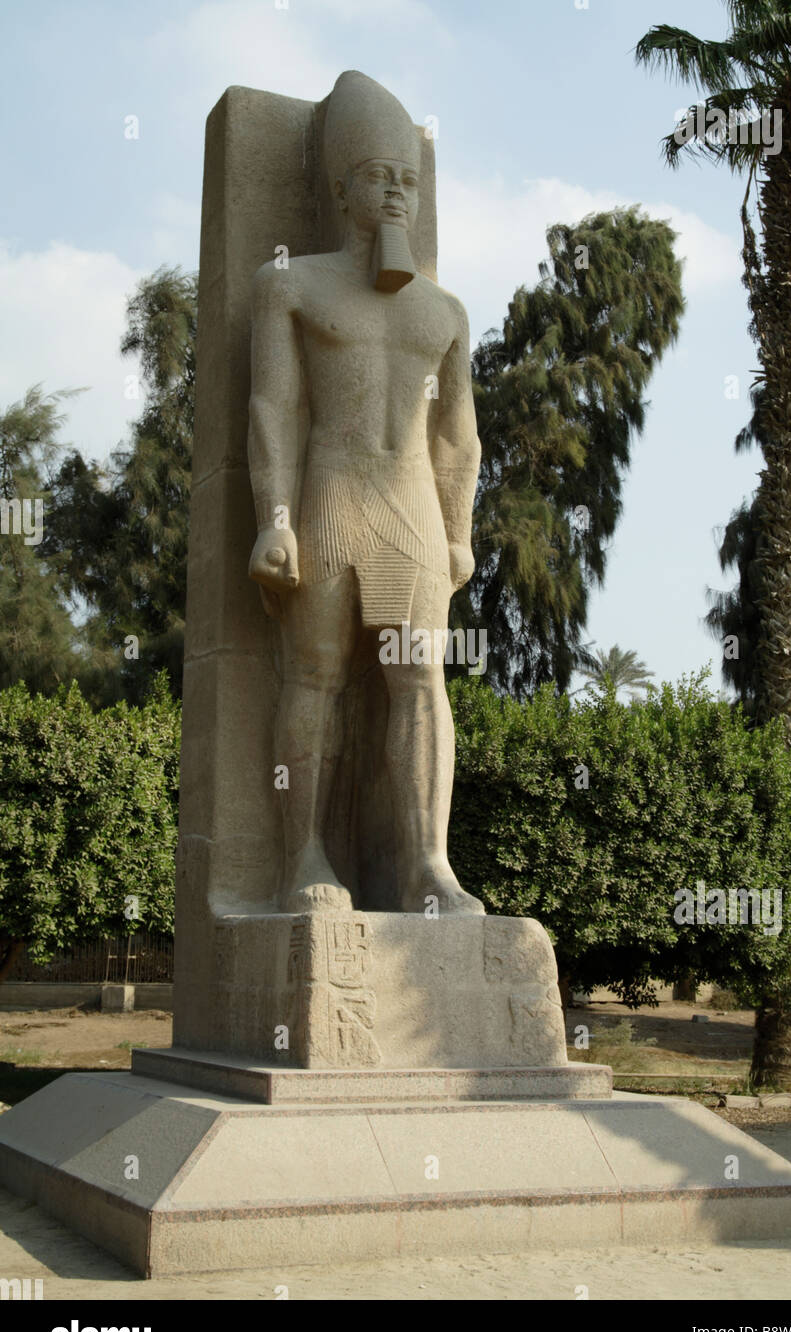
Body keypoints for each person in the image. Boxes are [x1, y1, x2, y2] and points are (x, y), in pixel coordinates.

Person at [247, 71, 484, 917]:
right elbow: (274, 407)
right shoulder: (293, 285)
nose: (395, 191)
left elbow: (456, 435)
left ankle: (427, 864)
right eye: (380, 175)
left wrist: (458, 532)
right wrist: (274, 519)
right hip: (330, 497)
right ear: (342, 185)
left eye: (409, 179)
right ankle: (303, 858)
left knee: (421, 682)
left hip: (413, 509)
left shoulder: (446, 311)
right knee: (313, 679)